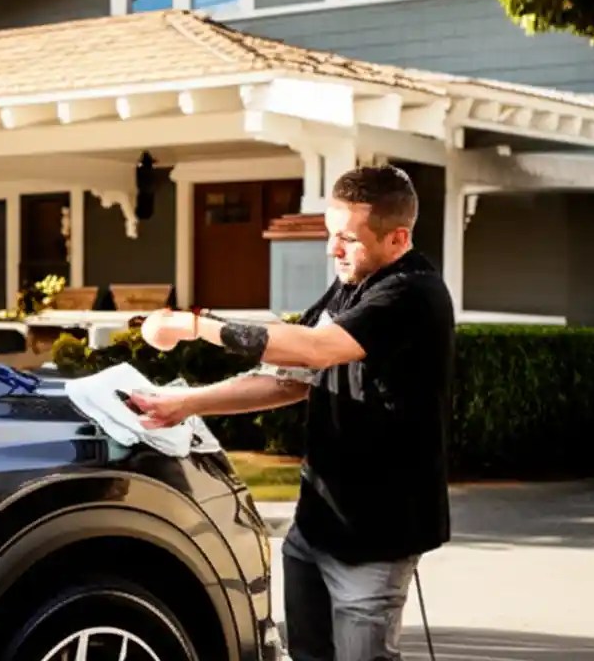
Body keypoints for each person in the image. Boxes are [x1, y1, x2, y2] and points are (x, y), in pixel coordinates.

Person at [129, 164, 454, 661]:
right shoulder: (348, 286)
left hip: (376, 534)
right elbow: (287, 378)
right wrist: (184, 404)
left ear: (398, 237)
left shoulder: (412, 294)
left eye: (347, 238)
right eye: (330, 234)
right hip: (316, 524)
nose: (332, 249)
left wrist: (195, 325)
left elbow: (314, 349)